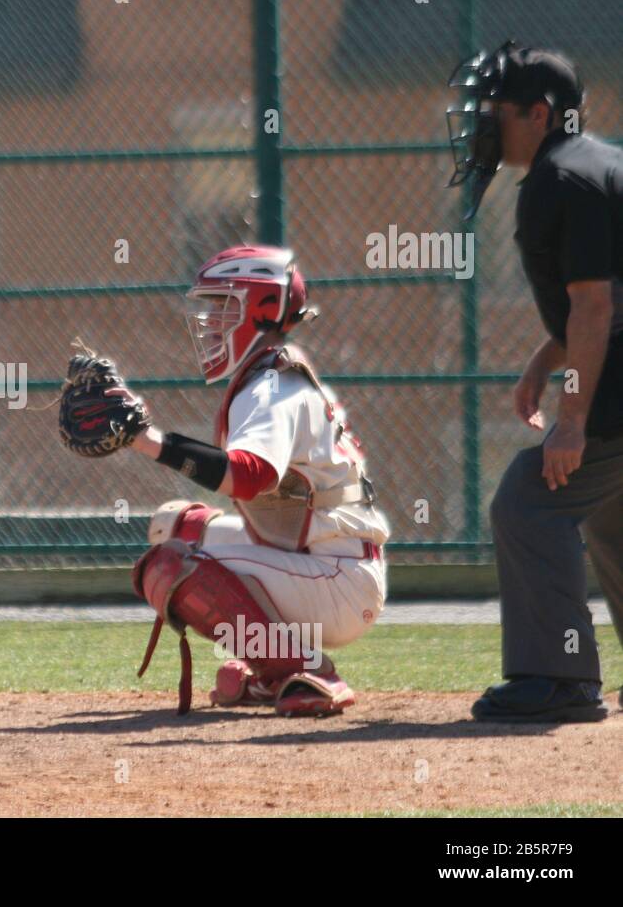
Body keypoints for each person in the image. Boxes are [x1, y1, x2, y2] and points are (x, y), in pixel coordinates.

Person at [61, 245, 390, 716]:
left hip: (338, 580)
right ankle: (276, 666)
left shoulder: (271, 384)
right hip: (329, 558)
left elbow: (250, 476)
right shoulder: (273, 373)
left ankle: (307, 670)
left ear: (260, 309)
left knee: (170, 564)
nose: (210, 321)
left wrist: (144, 439)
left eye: (222, 306)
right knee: (173, 526)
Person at [448, 42, 623, 722]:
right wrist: (544, 362)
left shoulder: (559, 181)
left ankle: (557, 677)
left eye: (496, 112)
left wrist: (573, 419)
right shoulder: (602, 163)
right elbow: (606, 296)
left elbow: (596, 304)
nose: (483, 125)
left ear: (540, 114)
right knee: (610, 516)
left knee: (529, 501)